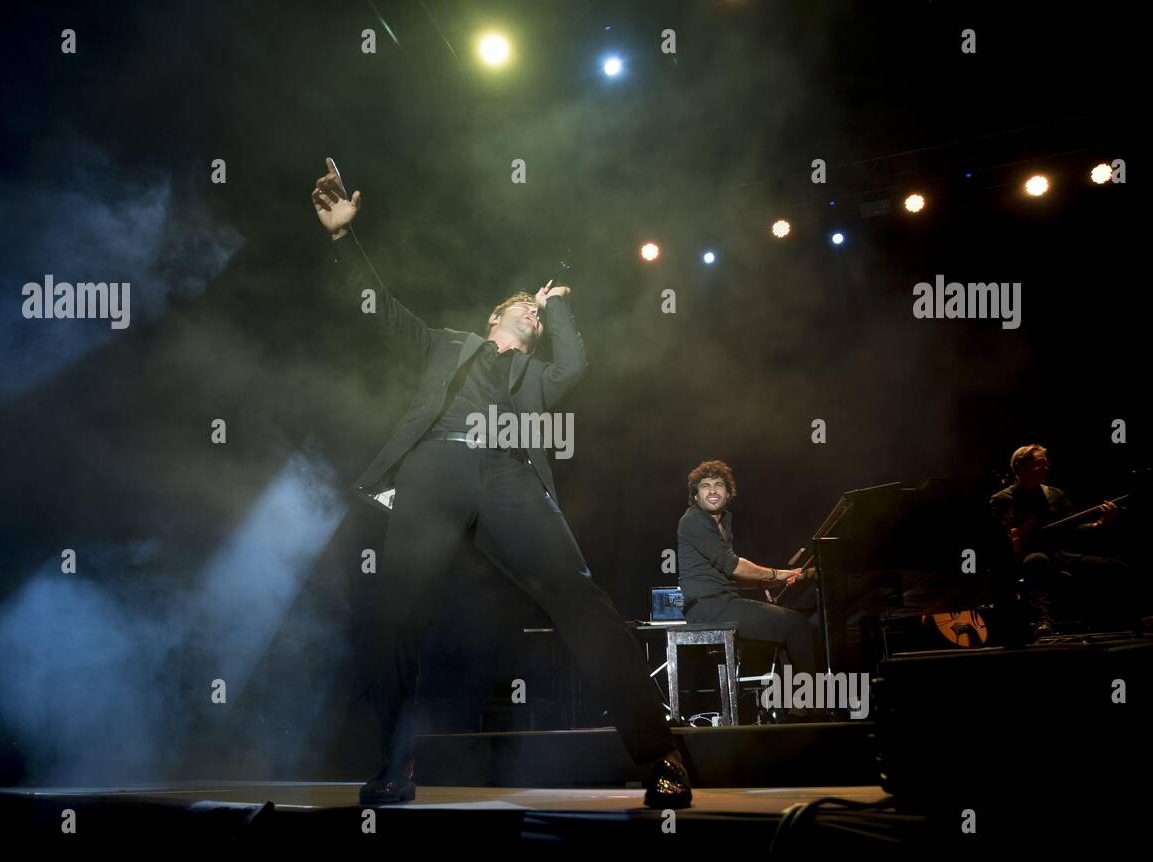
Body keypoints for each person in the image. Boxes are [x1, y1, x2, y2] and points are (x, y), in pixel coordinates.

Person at [311, 157, 690, 807]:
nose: (531, 317)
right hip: (434, 467)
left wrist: (556, 309)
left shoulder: (536, 376)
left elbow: (575, 362)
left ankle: (662, 758)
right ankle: (394, 767)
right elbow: (378, 308)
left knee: (581, 599)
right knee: (396, 618)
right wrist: (345, 238)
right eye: (522, 308)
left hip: (507, 473)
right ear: (494, 319)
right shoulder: (446, 345)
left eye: (534, 316)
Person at [677, 460, 820, 677]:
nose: (713, 489)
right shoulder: (694, 520)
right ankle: (812, 703)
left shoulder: (724, 521)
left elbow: (730, 576)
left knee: (785, 628)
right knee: (797, 624)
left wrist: (776, 579)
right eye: (705, 485)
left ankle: (795, 705)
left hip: (722, 603)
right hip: (709, 608)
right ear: (696, 496)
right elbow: (734, 566)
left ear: (728, 493)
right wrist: (776, 574)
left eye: (719, 484)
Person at [990, 444, 1123, 638]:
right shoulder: (1001, 499)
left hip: (1059, 553)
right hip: (1024, 555)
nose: (1046, 468)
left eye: (1046, 464)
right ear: (1020, 467)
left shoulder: (1055, 495)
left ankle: (1121, 619)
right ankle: (1043, 621)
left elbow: (1074, 529)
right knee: (1037, 560)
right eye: (1040, 464)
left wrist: (1100, 524)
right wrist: (1026, 526)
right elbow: (1001, 539)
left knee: (1113, 567)